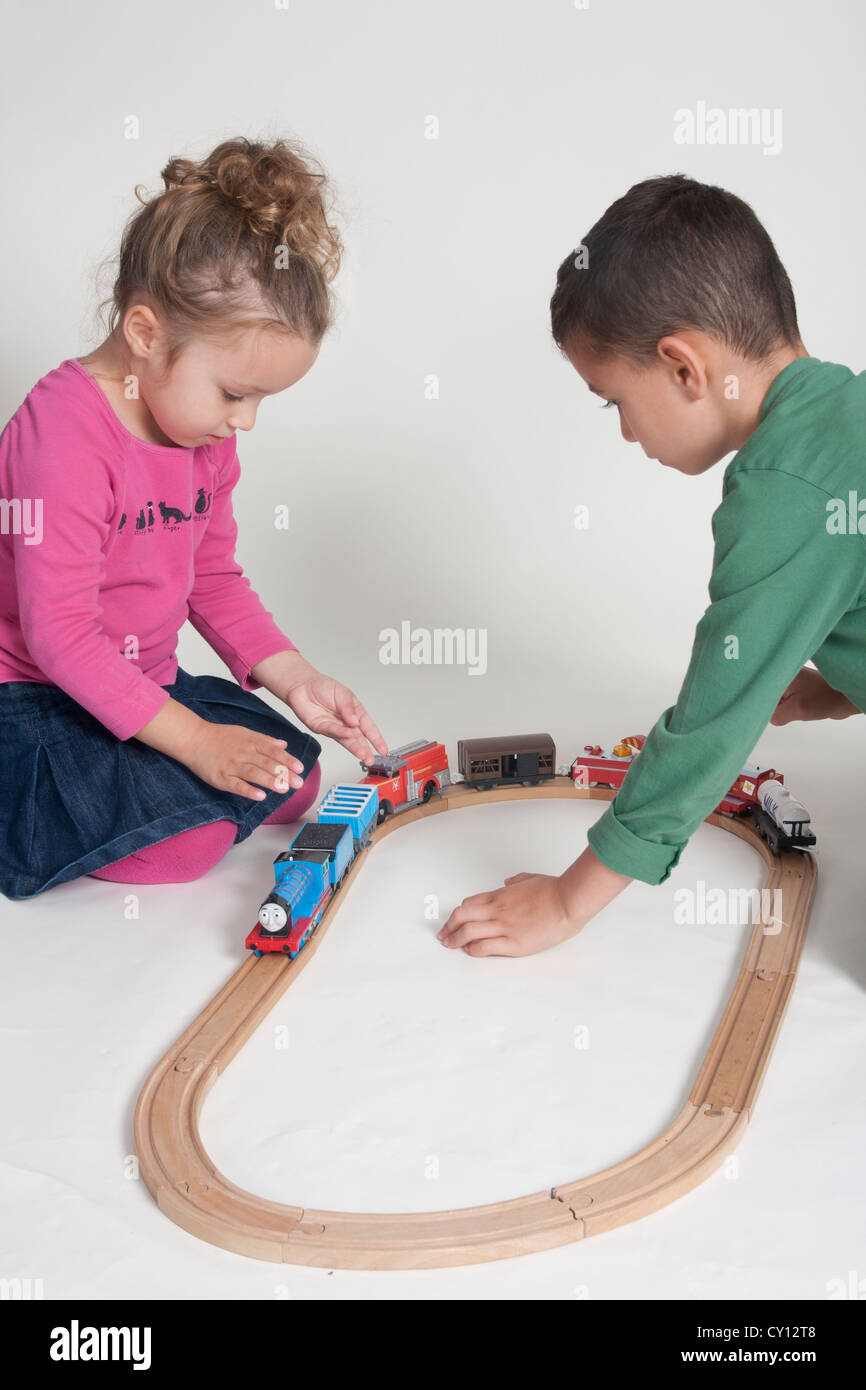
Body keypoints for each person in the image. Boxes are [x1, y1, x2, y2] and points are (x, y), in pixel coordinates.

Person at [439, 173, 865, 957]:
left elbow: (713, 725)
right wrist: (838, 689)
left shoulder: (782, 491)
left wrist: (567, 903)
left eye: (614, 401)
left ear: (683, 368)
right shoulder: (846, 418)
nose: (628, 434)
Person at [0, 135, 387, 900]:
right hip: (37, 700)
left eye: (261, 402)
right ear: (146, 335)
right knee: (187, 848)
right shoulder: (64, 436)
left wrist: (296, 678)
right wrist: (198, 742)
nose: (244, 424)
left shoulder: (199, 435)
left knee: (293, 773)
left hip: (142, 681)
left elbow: (211, 577)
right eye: (235, 393)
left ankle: (172, 769)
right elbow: (60, 637)